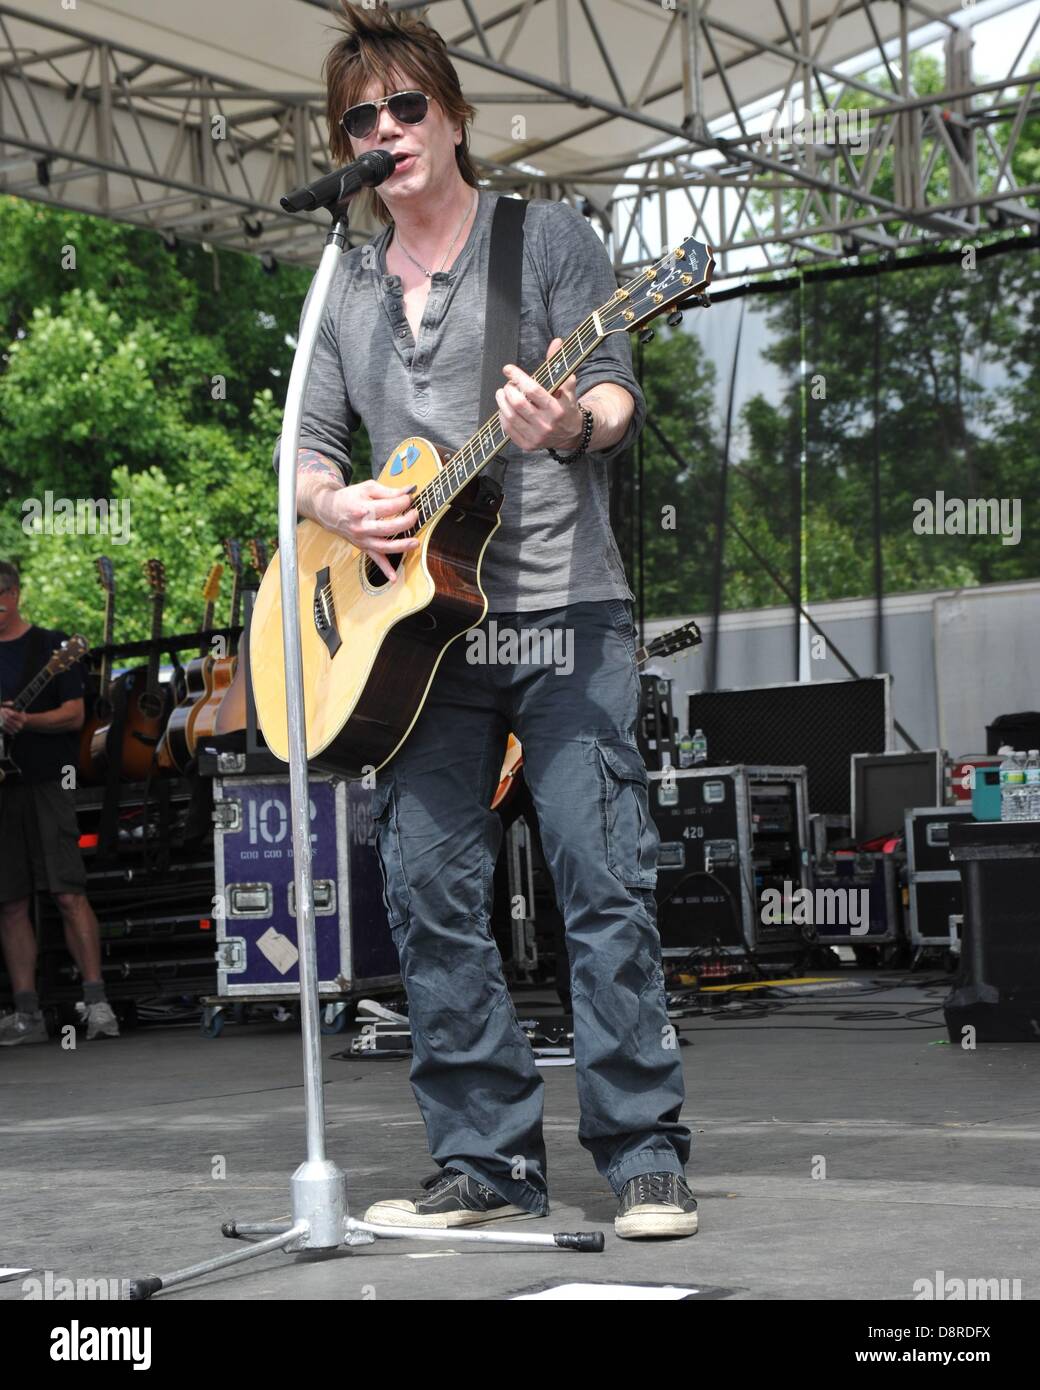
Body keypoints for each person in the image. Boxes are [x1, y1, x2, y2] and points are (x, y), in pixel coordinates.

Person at [282, 2, 695, 1238]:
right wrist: (336, 504)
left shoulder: (547, 238)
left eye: (408, 106)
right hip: (418, 648)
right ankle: (486, 1159)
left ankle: (642, 1154)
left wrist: (564, 427)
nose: (386, 129)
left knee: (597, 871)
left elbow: (613, 389)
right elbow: (304, 453)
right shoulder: (342, 282)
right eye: (361, 117)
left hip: (565, 612)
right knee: (426, 887)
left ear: (454, 117)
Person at [0, 560, 119, 1044]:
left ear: (15, 595)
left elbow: (75, 716)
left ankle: (97, 1005)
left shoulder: (54, 647)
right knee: (9, 902)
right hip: (4, 791)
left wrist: (24, 722)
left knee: (68, 891)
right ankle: (27, 1014)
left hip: (48, 782)